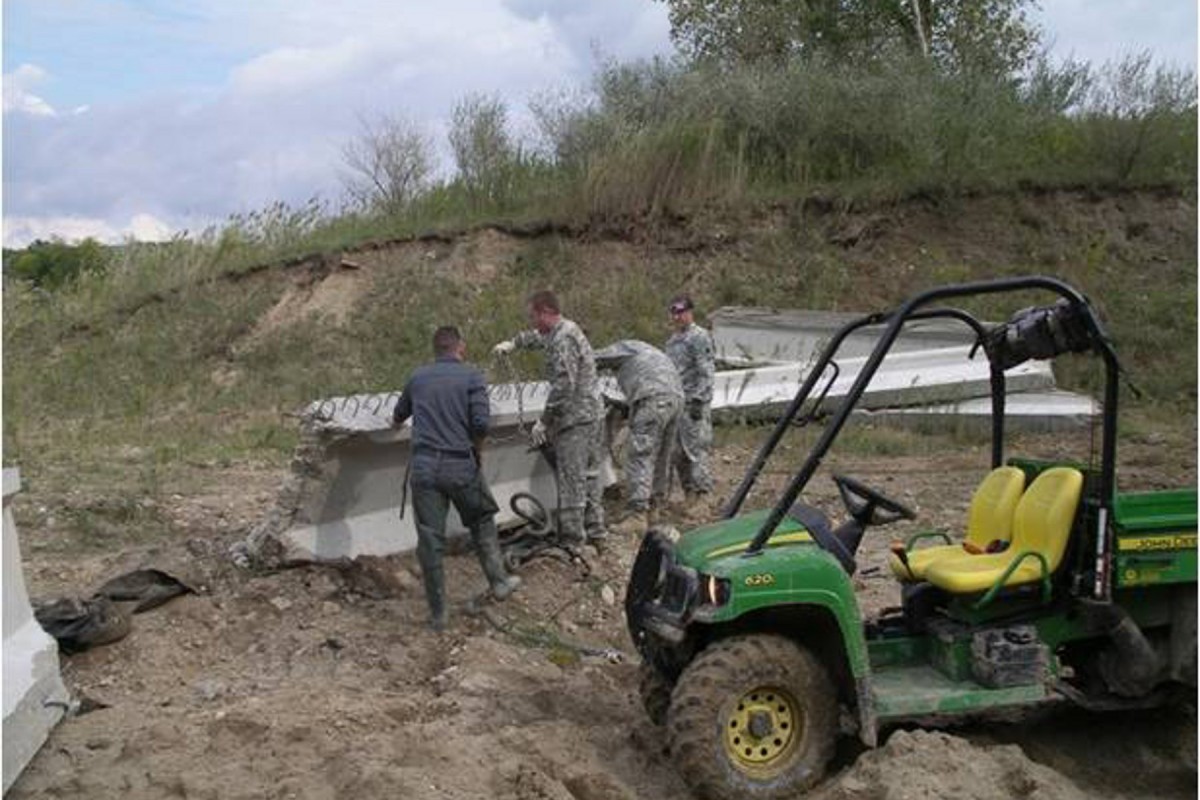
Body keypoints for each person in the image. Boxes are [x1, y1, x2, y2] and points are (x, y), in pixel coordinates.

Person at [393, 325, 520, 632]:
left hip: (424, 469)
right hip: (460, 465)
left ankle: (438, 615)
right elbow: (480, 424)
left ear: (436, 349)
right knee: (481, 520)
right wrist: (477, 453)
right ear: (459, 347)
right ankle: (500, 583)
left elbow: (399, 415)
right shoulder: (472, 376)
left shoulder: (417, 376)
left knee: (430, 540)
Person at [493, 290, 607, 547]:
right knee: (589, 477)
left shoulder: (563, 339)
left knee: (571, 480)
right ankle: (597, 534)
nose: (532, 321)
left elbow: (564, 386)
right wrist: (514, 343)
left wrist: (545, 420)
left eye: (533, 316)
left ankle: (572, 542)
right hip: (591, 415)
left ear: (545, 312)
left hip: (575, 420)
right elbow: (538, 337)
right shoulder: (564, 330)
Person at [594, 340, 683, 535]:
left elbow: (590, 359)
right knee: (661, 457)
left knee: (639, 457)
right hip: (675, 398)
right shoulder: (647, 352)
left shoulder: (623, 348)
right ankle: (654, 509)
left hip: (651, 398)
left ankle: (637, 515)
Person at [665, 294, 716, 507]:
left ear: (689, 312)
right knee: (678, 453)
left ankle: (703, 495)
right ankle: (689, 493)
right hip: (678, 403)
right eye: (674, 313)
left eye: (681, 312)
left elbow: (706, 372)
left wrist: (699, 400)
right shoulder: (673, 341)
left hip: (694, 403)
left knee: (696, 450)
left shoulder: (699, 337)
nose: (678, 317)